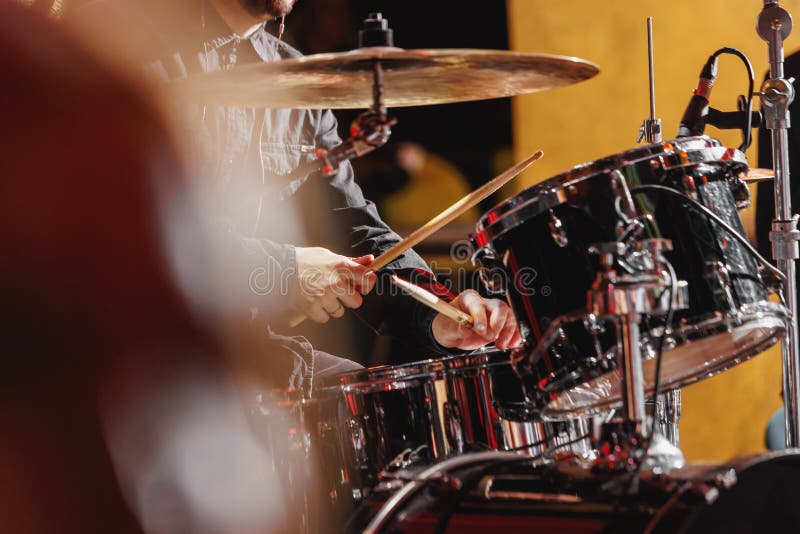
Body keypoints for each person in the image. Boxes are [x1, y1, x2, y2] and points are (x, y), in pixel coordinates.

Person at [73, 0, 522, 395]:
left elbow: (355, 229)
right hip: (124, 356)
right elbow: (119, 235)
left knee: (378, 416)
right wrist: (282, 271)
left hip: (249, 353)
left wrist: (439, 314)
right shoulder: (120, 51)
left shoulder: (298, 82)